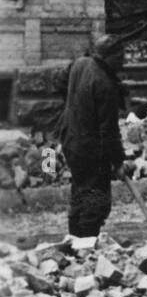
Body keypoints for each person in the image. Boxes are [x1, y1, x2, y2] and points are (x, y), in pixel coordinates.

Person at [60, 34, 127, 237]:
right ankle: (86, 249)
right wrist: (119, 162)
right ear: (108, 57)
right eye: (120, 57)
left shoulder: (80, 64)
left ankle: (74, 242)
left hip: (71, 142)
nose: (123, 62)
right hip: (91, 152)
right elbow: (109, 132)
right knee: (96, 202)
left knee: (80, 193)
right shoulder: (105, 85)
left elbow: (63, 85)